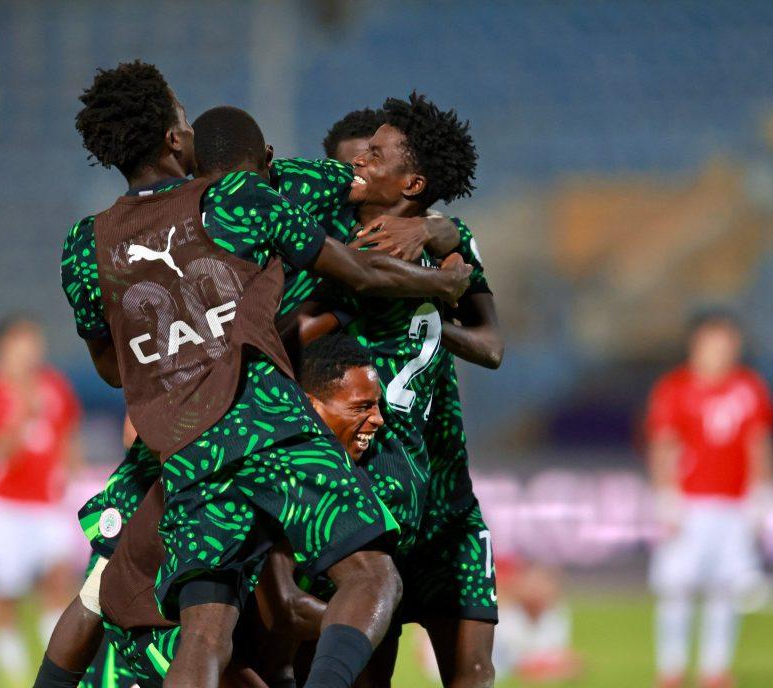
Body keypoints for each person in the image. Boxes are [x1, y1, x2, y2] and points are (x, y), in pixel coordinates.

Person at [48, 61, 472, 688]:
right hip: (267, 428)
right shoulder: (233, 199)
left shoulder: (87, 244)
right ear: (173, 139)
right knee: (373, 575)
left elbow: (112, 369)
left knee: (205, 633)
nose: (191, 131)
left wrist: (181, 341)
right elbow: (358, 271)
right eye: (184, 120)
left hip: (185, 449)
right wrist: (444, 278)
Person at [300, 96, 501, 688]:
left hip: (446, 494)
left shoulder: (448, 238)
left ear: (411, 182)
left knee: (474, 672)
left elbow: (491, 347)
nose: (353, 169)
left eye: (369, 156)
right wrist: (402, 286)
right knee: (368, 663)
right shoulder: (330, 245)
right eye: (346, 162)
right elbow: (295, 333)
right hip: (371, 482)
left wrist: (436, 296)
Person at [91, 334, 388, 688]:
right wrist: (364, 618)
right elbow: (284, 609)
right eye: (360, 407)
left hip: (234, 655)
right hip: (157, 641)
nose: (378, 420)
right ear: (310, 405)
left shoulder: (328, 480)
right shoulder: (261, 472)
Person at [645, 309, 773, 688]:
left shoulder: (749, 388)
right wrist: (666, 496)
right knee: (676, 587)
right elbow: (663, 446)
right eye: (715, 342)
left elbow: (758, 444)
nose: (722, 351)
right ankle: (671, 667)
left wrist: (761, 493)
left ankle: (714, 669)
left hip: (733, 504)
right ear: (696, 345)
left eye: (728, 343)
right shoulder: (675, 388)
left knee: (726, 589)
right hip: (690, 501)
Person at [0, 316, 82, 686]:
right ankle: (12, 674)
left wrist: (71, 469)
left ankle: (58, 669)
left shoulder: (55, 386)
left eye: (34, 343)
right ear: (3, 350)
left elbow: (68, 434)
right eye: (22, 344)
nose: (31, 352)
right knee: (5, 596)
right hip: (5, 509)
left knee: (59, 583)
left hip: (48, 505)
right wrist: (22, 414)